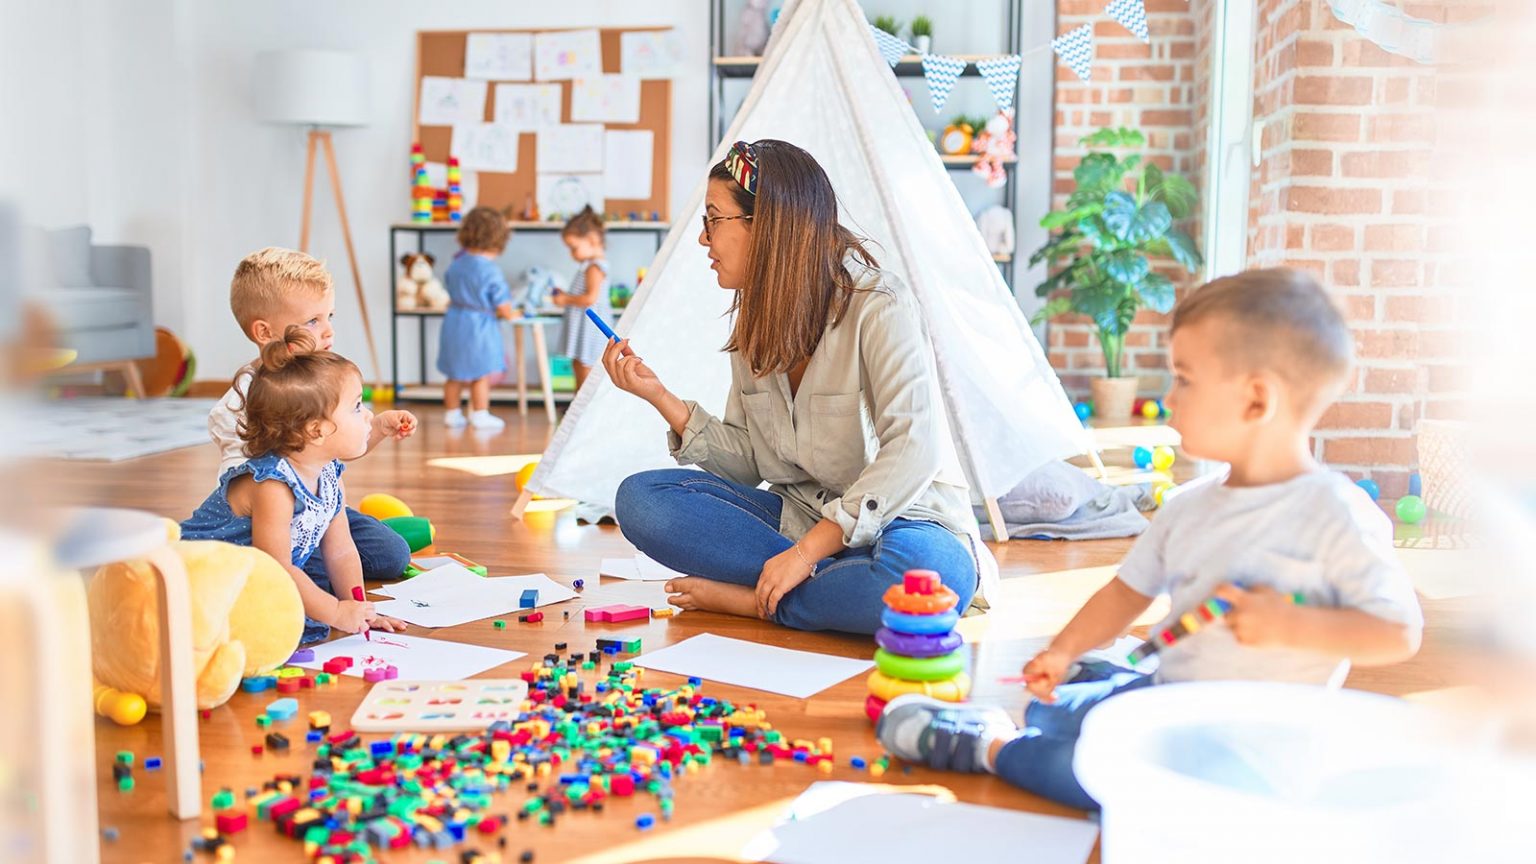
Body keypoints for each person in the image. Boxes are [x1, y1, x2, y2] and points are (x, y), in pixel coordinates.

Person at [876, 268, 1424, 809]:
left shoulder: (1338, 516)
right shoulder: (1189, 506)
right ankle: (1094, 685)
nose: (1169, 397)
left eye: (1185, 378)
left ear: (1257, 401)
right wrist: (1063, 650)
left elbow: (1398, 634)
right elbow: (1124, 594)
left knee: (1094, 777)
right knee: (1048, 709)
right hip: (1165, 697)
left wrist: (1294, 625)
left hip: (1249, 749)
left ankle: (988, 746)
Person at [605, 139, 991, 635]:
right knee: (642, 499)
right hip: (801, 516)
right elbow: (747, 463)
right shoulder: (755, 320)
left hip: (907, 518)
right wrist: (661, 398)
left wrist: (806, 554)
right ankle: (828, 590)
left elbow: (913, 448)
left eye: (712, 220)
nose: (704, 240)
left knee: (926, 581)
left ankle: (758, 601)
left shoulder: (880, 304)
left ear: (765, 225)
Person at [183, 327, 406, 644]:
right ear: (316, 430)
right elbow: (277, 568)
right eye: (357, 407)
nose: (369, 417)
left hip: (253, 580)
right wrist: (336, 611)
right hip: (201, 579)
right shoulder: (274, 486)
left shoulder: (329, 473)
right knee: (279, 631)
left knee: (303, 615)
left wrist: (359, 609)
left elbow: (341, 550)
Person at [208, 247, 413, 583]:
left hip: (315, 513)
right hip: (265, 524)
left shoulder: (329, 381)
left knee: (392, 555)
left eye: (329, 317)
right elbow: (244, 490)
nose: (328, 331)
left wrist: (376, 428)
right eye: (313, 321)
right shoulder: (237, 404)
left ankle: (367, 531)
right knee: (312, 581)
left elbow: (338, 448)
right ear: (264, 332)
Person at [438, 207, 517, 429]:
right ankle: (480, 413)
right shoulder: (490, 270)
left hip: (454, 320)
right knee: (480, 373)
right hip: (478, 326)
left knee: (454, 373)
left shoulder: (457, 263)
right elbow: (503, 306)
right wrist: (512, 312)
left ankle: (451, 414)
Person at [550, 205, 614, 391]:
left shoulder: (594, 266)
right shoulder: (590, 265)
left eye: (574, 248)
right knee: (579, 365)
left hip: (590, 326)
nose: (572, 254)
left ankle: (582, 407)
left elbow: (590, 298)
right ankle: (578, 404)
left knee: (585, 366)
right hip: (583, 324)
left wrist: (565, 299)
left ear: (592, 240)